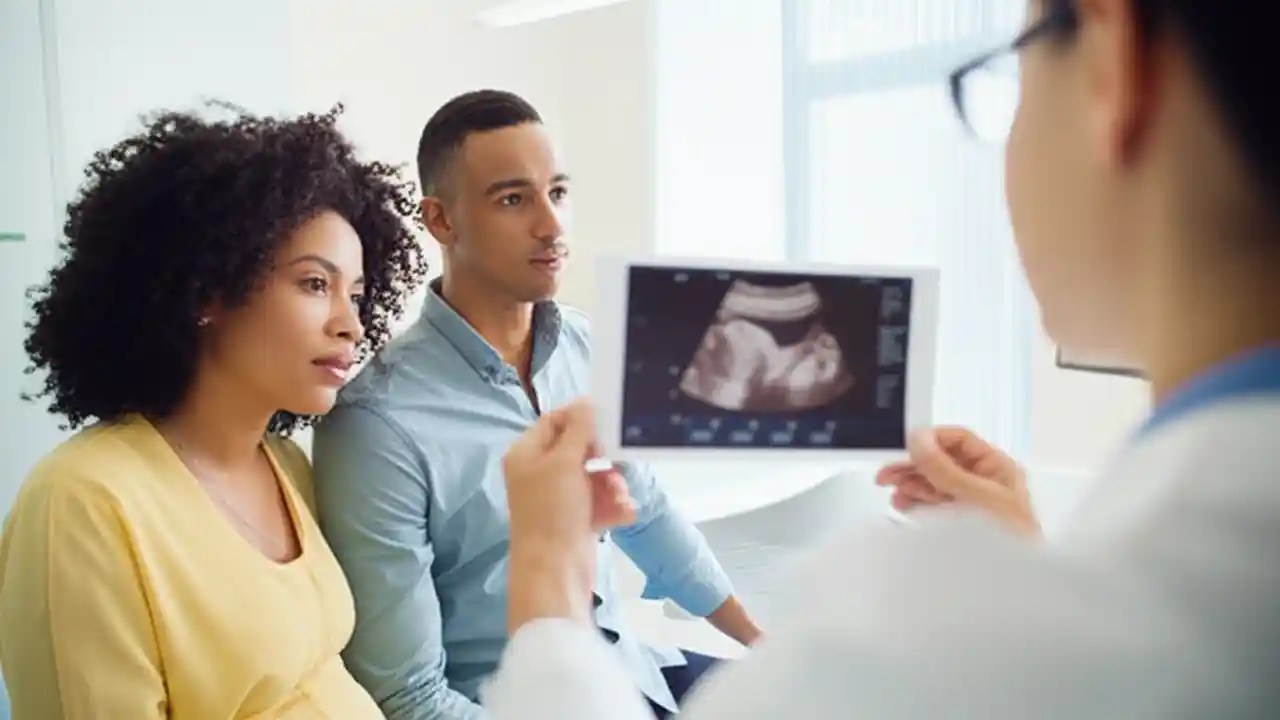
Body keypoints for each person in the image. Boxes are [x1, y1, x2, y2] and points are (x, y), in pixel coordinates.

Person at [486, 0, 1280, 717]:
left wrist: (550, 577)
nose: (551, 228)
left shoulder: (895, 648)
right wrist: (1028, 572)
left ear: (1114, 58)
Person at [310, 89, 762, 720]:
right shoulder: (376, 425)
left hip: (636, 673)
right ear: (441, 221)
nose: (551, 225)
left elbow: (649, 513)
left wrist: (762, 645)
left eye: (559, 193)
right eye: (513, 199)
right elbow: (409, 698)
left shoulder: (585, 344)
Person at [0, 104, 427, 719]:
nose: (351, 324)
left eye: (357, 295)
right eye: (314, 284)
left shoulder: (284, 465)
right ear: (208, 290)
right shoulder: (84, 500)